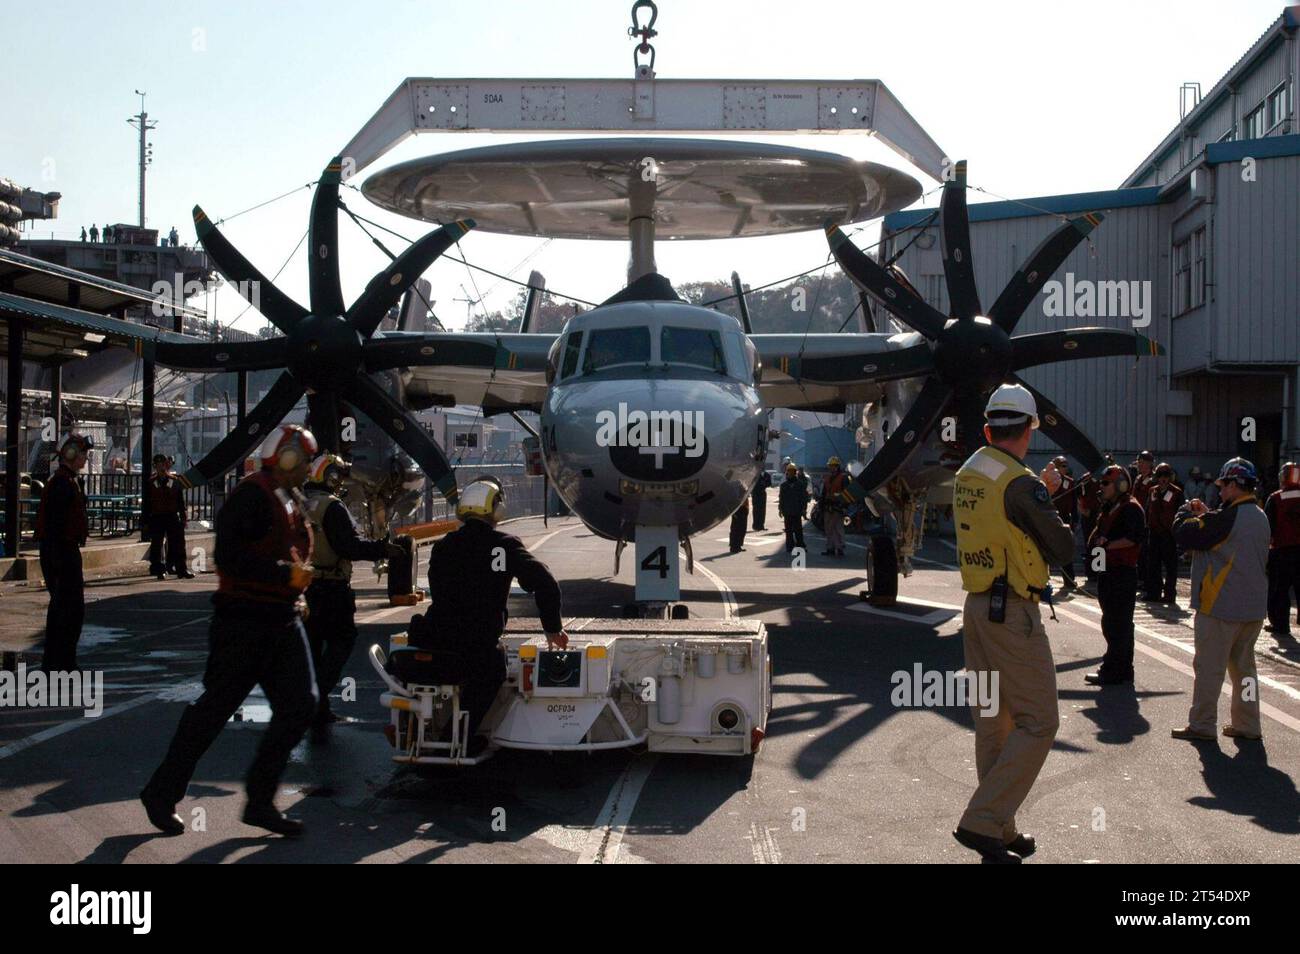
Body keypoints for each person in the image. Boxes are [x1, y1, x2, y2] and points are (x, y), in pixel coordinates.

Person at [141, 425, 320, 837]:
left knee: (301, 704)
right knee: (213, 712)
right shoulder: (253, 494)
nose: (309, 467)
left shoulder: (289, 498)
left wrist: (296, 591)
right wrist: (284, 576)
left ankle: (259, 801)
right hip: (243, 620)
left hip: (281, 619)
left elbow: (288, 555)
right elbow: (229, 557)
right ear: (288, 457)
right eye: (305, 458)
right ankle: (161, 792)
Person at [951, 384, 1074, 864]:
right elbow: (1062, 549)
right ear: (1027, 430)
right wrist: (1053, 496)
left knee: (994, 725)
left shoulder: (968, 472)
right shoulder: (1021, 482)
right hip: (1012, 614)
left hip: (977, 607)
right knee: (1040, 722)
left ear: (987, 428)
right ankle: (981, 821)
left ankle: (999, 828)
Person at [422, 477, 565, 752]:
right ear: (496, 509)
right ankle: (456, 740)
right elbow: (546, 584)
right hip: (477, 643)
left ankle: (437, 732)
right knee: (492, 671)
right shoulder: (504, 544)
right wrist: (553, 629)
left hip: (434, 636)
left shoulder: (444, 545)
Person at [301, 454, 404, 733]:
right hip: (332, 589)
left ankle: (317, 708)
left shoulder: (301, 503)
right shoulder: (332, 507)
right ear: (331, 476)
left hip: (304, 588)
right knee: (343, 641)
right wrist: (383, 549)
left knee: (312, 649)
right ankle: (316, 699)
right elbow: (350, 546)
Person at [1170, 458, 1270, 742]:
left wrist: (1185, 511)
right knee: (1245, 671)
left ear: (1236, 485)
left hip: (1221, 606)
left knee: (1209, 669)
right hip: (1252, 609)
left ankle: (1202, 724)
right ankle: (1248, 724)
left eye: (1224, 485)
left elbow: (1186, 533)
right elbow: (1222, 530)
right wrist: (1209, 514)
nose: (1221, 491)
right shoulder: (1259, 515)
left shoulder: (1227, 518)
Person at [34, 434, 92, 672]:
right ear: (70, 454)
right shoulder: (61, 483)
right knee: (67, 609)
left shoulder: (68, 480)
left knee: (66, 609)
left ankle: (58, 662)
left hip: (62, 548)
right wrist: (60, 559)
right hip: (61, 550)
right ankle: (60, 663)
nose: (85, 458)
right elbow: (56, 524)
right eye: (83, 454)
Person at [1084, 465, 1145, 685]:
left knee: (1119, 623)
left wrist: (1107, 545)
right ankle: (1114, 667)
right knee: (1110, 622)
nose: (1101, 486)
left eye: (1105, 483)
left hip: (1122, 573)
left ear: (1120, 484)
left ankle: (1118, 670)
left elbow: (1133, 538)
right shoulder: (1110, 507)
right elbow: (1099, 535)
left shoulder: (1130, 508)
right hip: (1108, 573)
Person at [1265, 461, 1300, 638]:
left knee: (1280, 590)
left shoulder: (1276, 498)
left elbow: (1267, 528)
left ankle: (1281, 624)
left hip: (1282, 550)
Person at [143, 453, 192, 580]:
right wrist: (146, 520)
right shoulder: (151, 483)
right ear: (155, 466)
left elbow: (180, 501)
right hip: (157, 516)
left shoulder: (175, 481)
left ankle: (182, 569)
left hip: (172, 515)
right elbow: (147, 503)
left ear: (166, 465)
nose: (160, 467)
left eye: (162, 464)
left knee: (178, 543)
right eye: (158, 465)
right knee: (157, 544)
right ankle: (159, 569)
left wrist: (183, 517)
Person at [1143, 462, 1183, 603]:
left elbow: (1180, 513)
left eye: (1166, 475)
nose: (1163, 479)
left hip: (1168, 534)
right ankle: (1153, 593)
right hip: (1154, 532)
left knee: (1170, 565)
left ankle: (1169, 594)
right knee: (1153, 565)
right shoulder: (1152, 491)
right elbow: (1148, 509)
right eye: (1160, 475)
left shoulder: (1176, 492)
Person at [1043, 455, 1079, 592]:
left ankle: (1069, 579)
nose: (1064, 468)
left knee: (1065, 549)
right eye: (1062, 466)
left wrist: (1075, 520)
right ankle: (1044, 578)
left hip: (1065, 519)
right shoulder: (1047, 481)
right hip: (1050, 518)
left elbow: (1074, 503)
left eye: (1065, 466)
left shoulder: (1070, 483)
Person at [778, 461, 809, 554]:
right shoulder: (784, 486)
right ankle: (789, 547)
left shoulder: (800, 485)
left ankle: (800, 546)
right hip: (787, 511)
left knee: (798, 530)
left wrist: (804, 509)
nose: (790, 473)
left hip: (797, 511)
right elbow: (781, 498)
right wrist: (780, 509)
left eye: (792, 471)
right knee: (788, 531)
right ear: (787, 473)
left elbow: (804, 498)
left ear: (795, 472)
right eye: (789, 472)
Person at [820, 457, 848, 557]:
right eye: (830, 466)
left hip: (838, 506)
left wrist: (844, 506)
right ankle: (830, 548)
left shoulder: (843, 478)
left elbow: (847, 494)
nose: (832, 468)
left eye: (834, 466)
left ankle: (840, 548)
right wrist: (821, 506)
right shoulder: (827, 478)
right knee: (828, 528)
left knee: (838, 528)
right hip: (828, 506)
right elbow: (824, 493)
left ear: (837, 466)